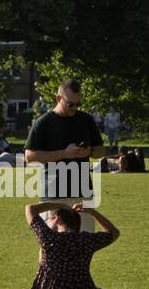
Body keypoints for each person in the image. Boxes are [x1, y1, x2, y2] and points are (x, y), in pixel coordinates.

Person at [0, 201, 120, 289]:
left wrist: (59, 204)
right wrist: (91, 211)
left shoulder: (49, 239)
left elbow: (30, 208)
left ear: (56, 219)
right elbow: (113, 232)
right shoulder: (86, 240)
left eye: (50, 218)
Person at [24, 79, 104, 231]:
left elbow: (100, 150)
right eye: (70, 104)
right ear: (58, 99)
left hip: (82, 192)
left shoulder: (86, 120)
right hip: (53, 194)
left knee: (84, 241)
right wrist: (64, 153)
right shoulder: (43, 123)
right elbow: (30, 156)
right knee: (51, 245)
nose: (74, 108)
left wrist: (90, 152)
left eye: (78, 104)